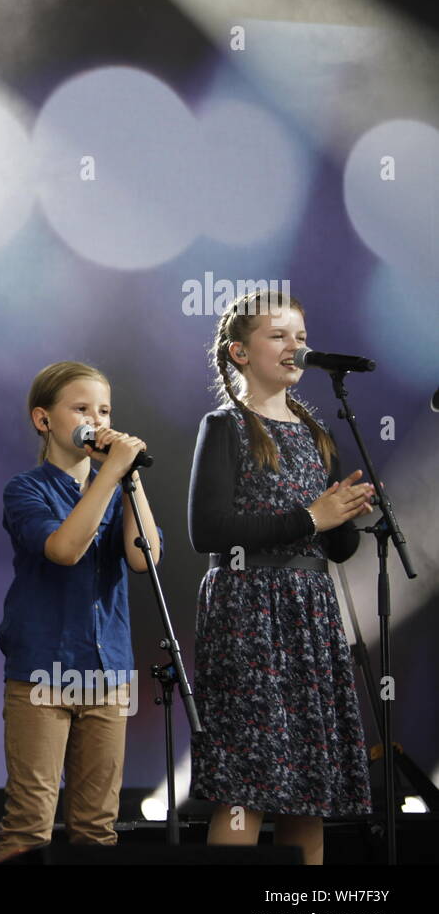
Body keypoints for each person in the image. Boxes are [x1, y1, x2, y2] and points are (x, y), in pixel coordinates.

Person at [188, 291, 374, 864]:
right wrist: (309, 517)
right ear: (239, 353)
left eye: (301, 335)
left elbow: (336, 549)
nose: (297, 347)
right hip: (248, 610)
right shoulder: (226, 425)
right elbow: (208, 531)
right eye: (279, 335)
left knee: (308, 789)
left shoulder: (319, 433)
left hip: (309, 612)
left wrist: (346, 517)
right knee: (246, 785)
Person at [0, 361, 161, 863]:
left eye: (104, 409)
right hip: (43, 666)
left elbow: (143, 555)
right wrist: (109, 475)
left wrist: (128, 478)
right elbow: (64, 549)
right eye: (81, 408)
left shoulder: (115, 484)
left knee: (97, 829)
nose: (97, 419)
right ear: (43, 420)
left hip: (107, 675)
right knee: (28, 826)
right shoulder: (26, 489)